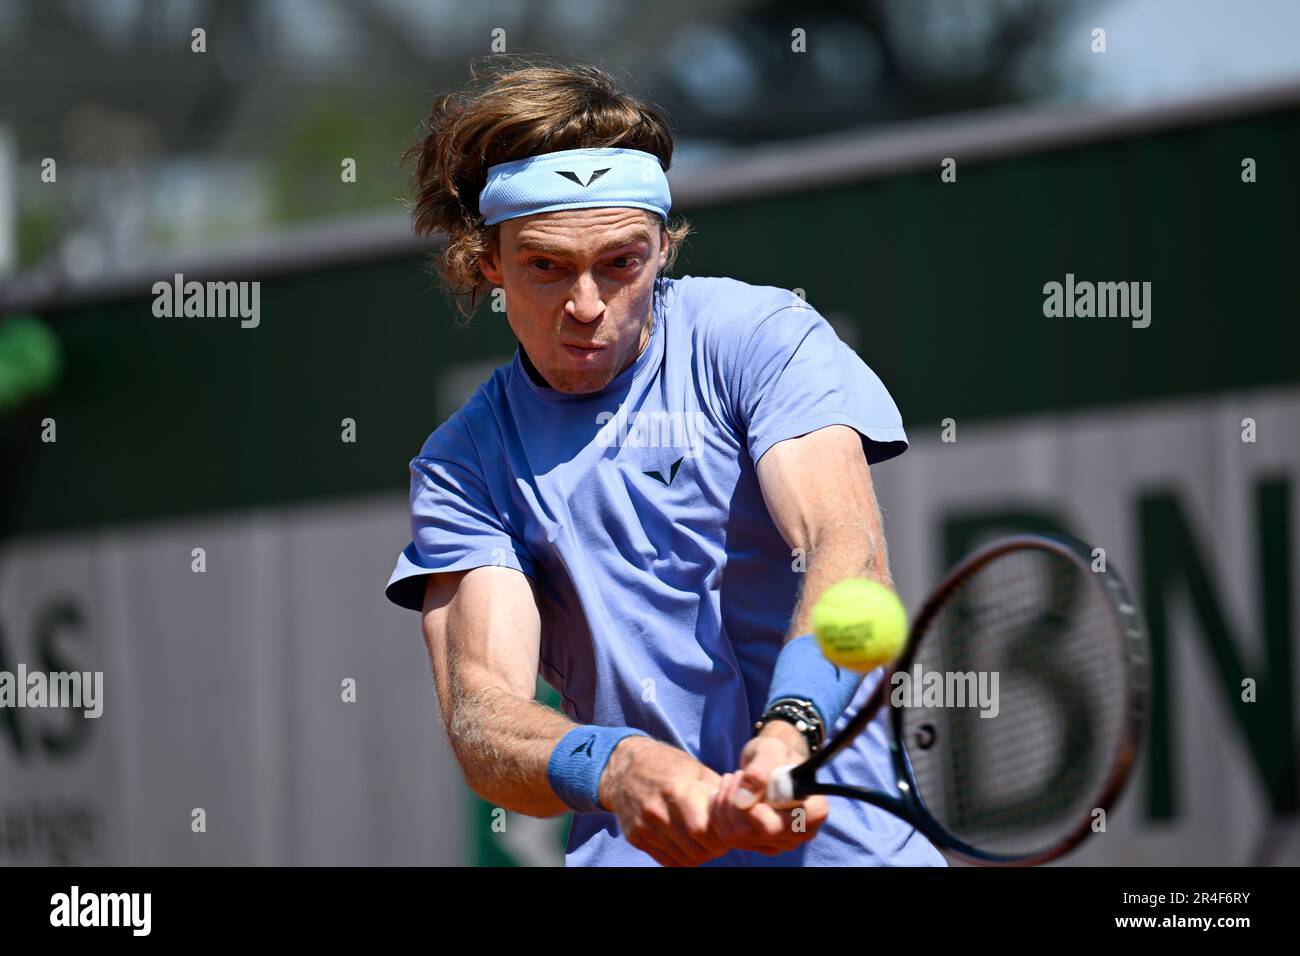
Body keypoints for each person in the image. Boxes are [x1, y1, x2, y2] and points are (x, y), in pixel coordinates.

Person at [385, 56, 944, 867]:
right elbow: (484, 715)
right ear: (489, 265)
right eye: (546, 265)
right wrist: (618, 765)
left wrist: (792, 728)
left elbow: (846, 552)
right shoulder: (463, 466)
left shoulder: (760, 338)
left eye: (622, 262)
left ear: (662, 248)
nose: (587, 307)